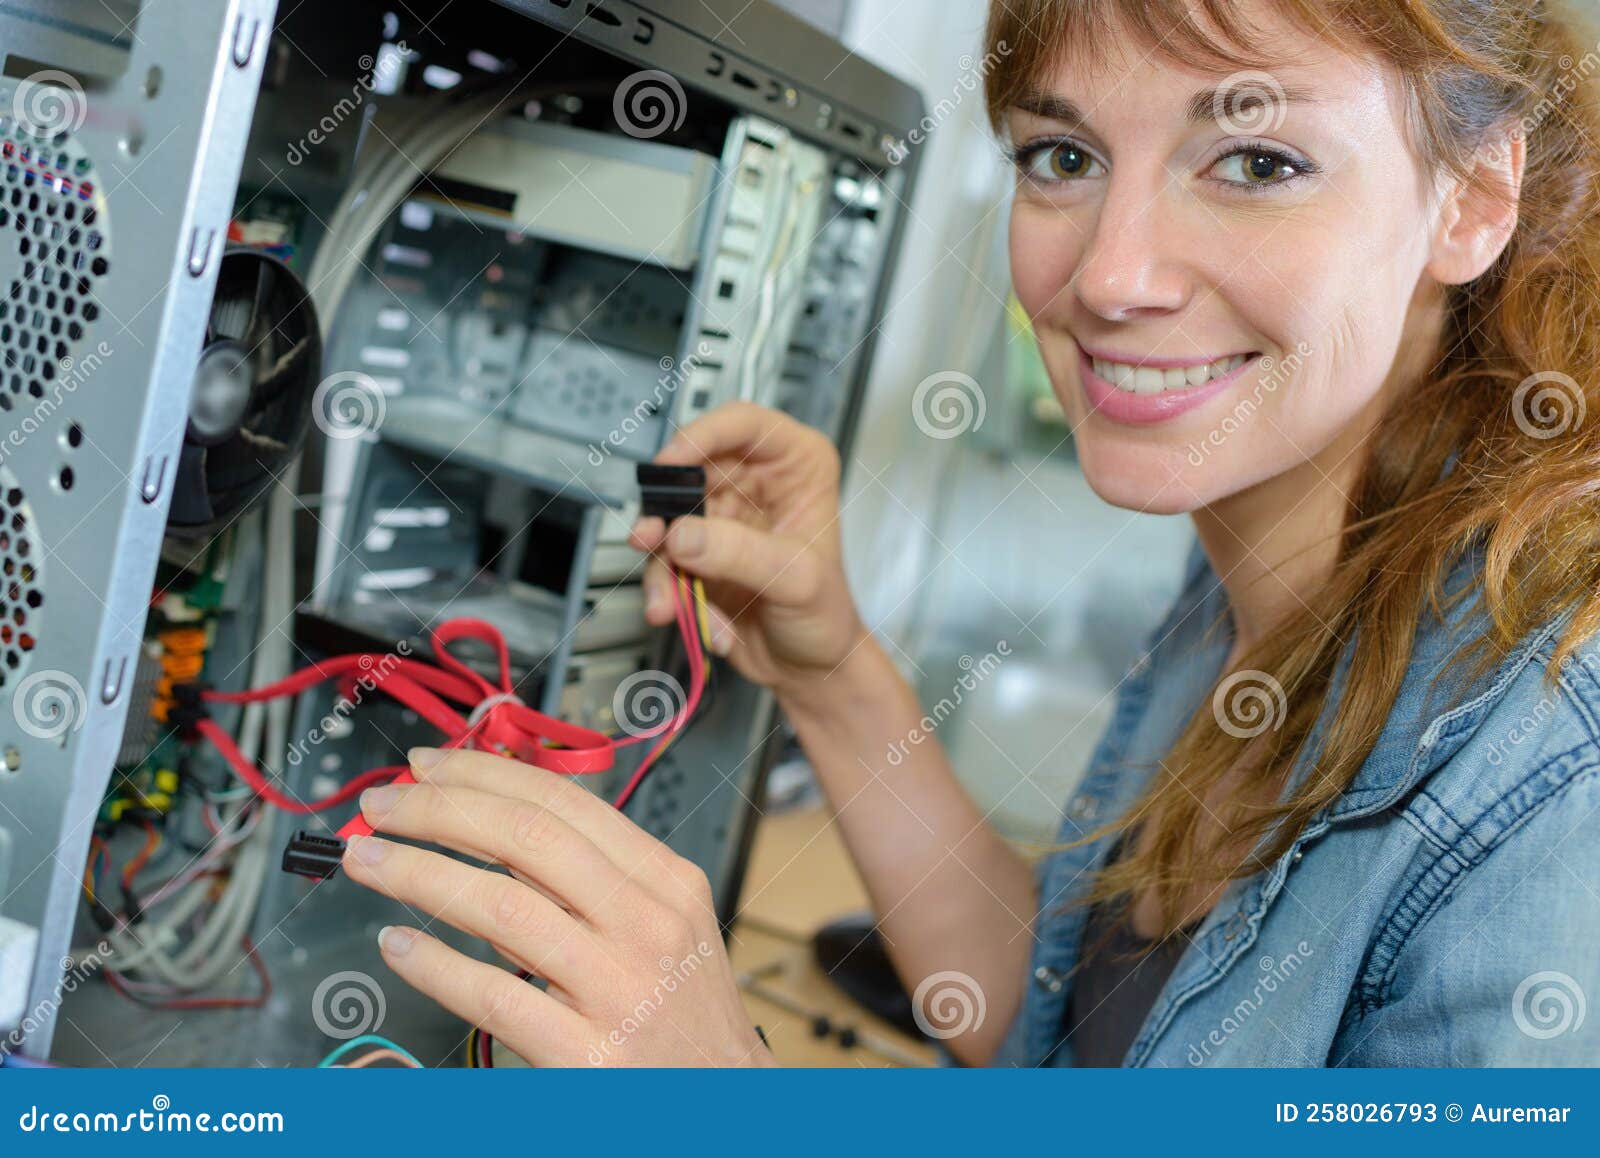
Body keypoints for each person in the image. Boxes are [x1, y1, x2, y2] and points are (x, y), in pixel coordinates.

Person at [340, 0, 1600, 1066]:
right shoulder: (1253, 565)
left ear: (1474, 199)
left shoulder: (1558, 773)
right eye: (1063, 156)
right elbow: (1056, 1030)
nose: (1112, 275)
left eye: (1257, 162)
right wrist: (833, 678)